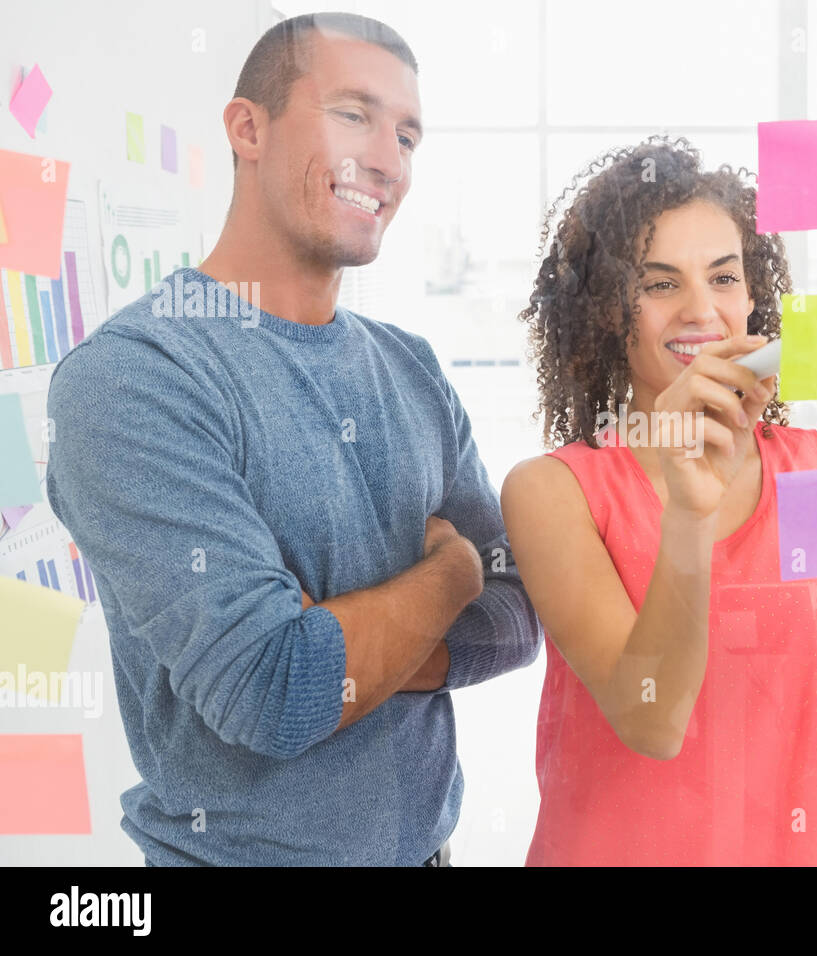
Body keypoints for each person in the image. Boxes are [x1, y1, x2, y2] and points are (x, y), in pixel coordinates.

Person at [44, 12, 540, 866]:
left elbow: (522, 612)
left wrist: (353, 645)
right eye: (354, 113)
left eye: (409, 134)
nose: (388, 160)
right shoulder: (136, 379)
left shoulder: (411, 370)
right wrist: (451, 573)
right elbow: (280, 690)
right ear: (247, 128)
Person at [504, 137, 817, 866]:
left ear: (754, 295)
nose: (703, 311)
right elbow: (652, 720)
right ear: (608, 311)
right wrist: (689, 513)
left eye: (724, 277)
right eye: (660, 284)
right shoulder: (550, 492)